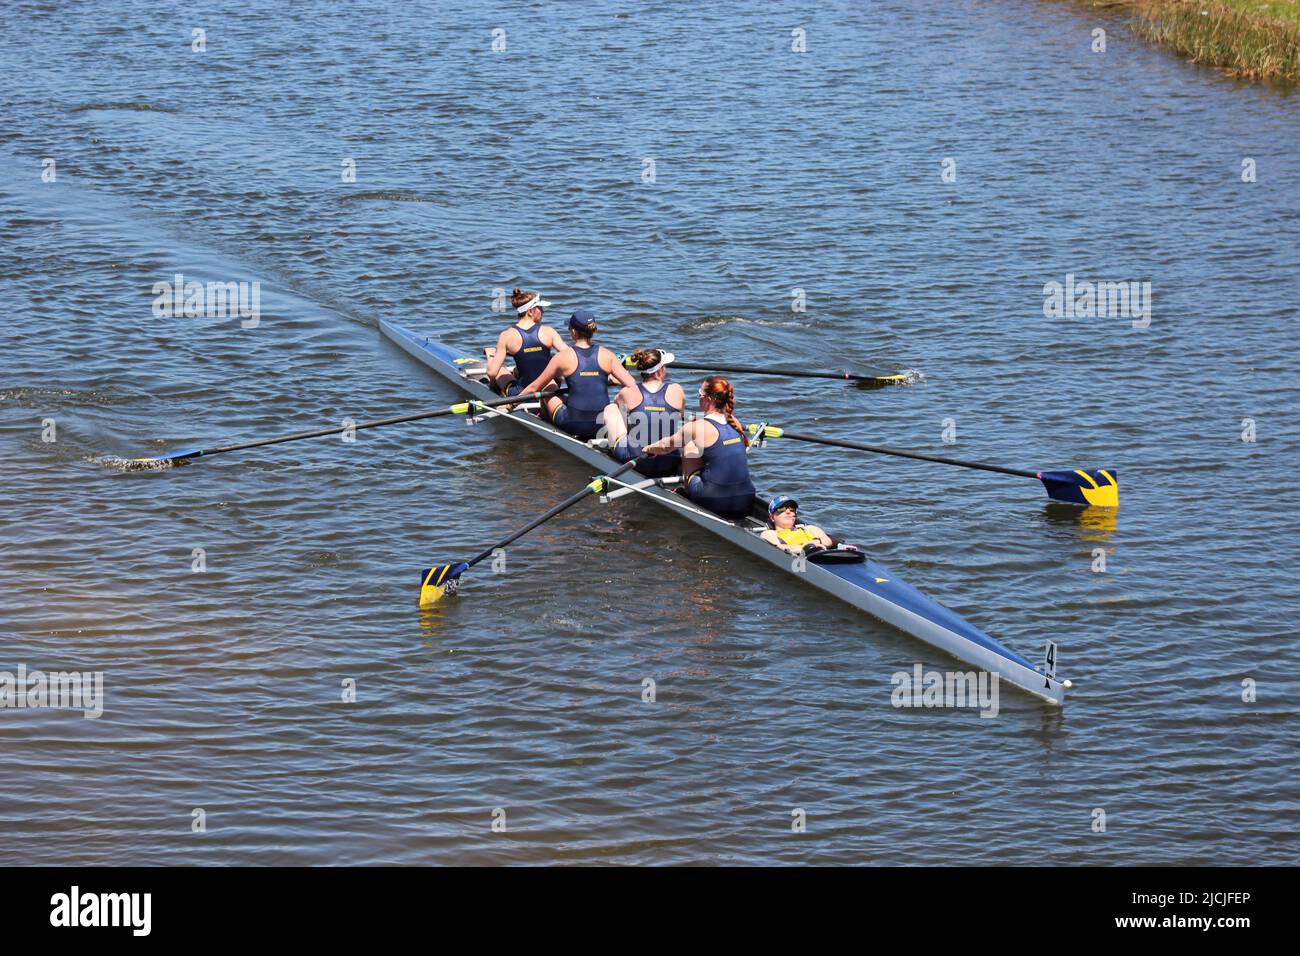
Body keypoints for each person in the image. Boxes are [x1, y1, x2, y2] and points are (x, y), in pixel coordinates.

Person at [641, 376, 756, 520]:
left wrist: (648, 449)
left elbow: (665, 447)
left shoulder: (696, 427)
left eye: (699, 395)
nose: (698, 398)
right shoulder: (735, 423)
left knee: (688, 445)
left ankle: (688, 490)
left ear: (708, 400)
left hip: (714, 500)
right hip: (746, 498)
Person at [517, 309, 637, 439]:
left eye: (569, 328)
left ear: (573, 332)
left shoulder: (562, 357)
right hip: (602, 424)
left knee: (549, 386)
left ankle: (545, 422)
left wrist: (513, 403)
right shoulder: (608, 355)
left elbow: (534, 387)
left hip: (573, 423)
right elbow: (632, 386)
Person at [604, 348, 685, 478]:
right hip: (669, 461)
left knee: (611, 408)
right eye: (665, 366)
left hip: (635, 460)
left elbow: (619, 406)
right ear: (660, 370)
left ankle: (624, 442)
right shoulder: (677, 390)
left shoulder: (627, 392)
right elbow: (680, 416)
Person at [485, 288, 564, 396]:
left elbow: (492, 373)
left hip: (521, 394)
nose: (543, 311)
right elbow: (572, 356)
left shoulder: (507, 335)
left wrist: (491, 355)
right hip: (547, 390)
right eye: (540, 308)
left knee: (500, 370)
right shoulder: (549, 332)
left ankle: (497, 391)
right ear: (530, 311)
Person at [760, 495, 836, 555]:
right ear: (772, 517)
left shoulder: (810, 528)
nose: (788, 511)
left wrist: (813, 543)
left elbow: (828, 541)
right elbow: (779, 547)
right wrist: (807, 546)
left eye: (792, 509)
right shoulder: (769, 533)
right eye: (781, 509)